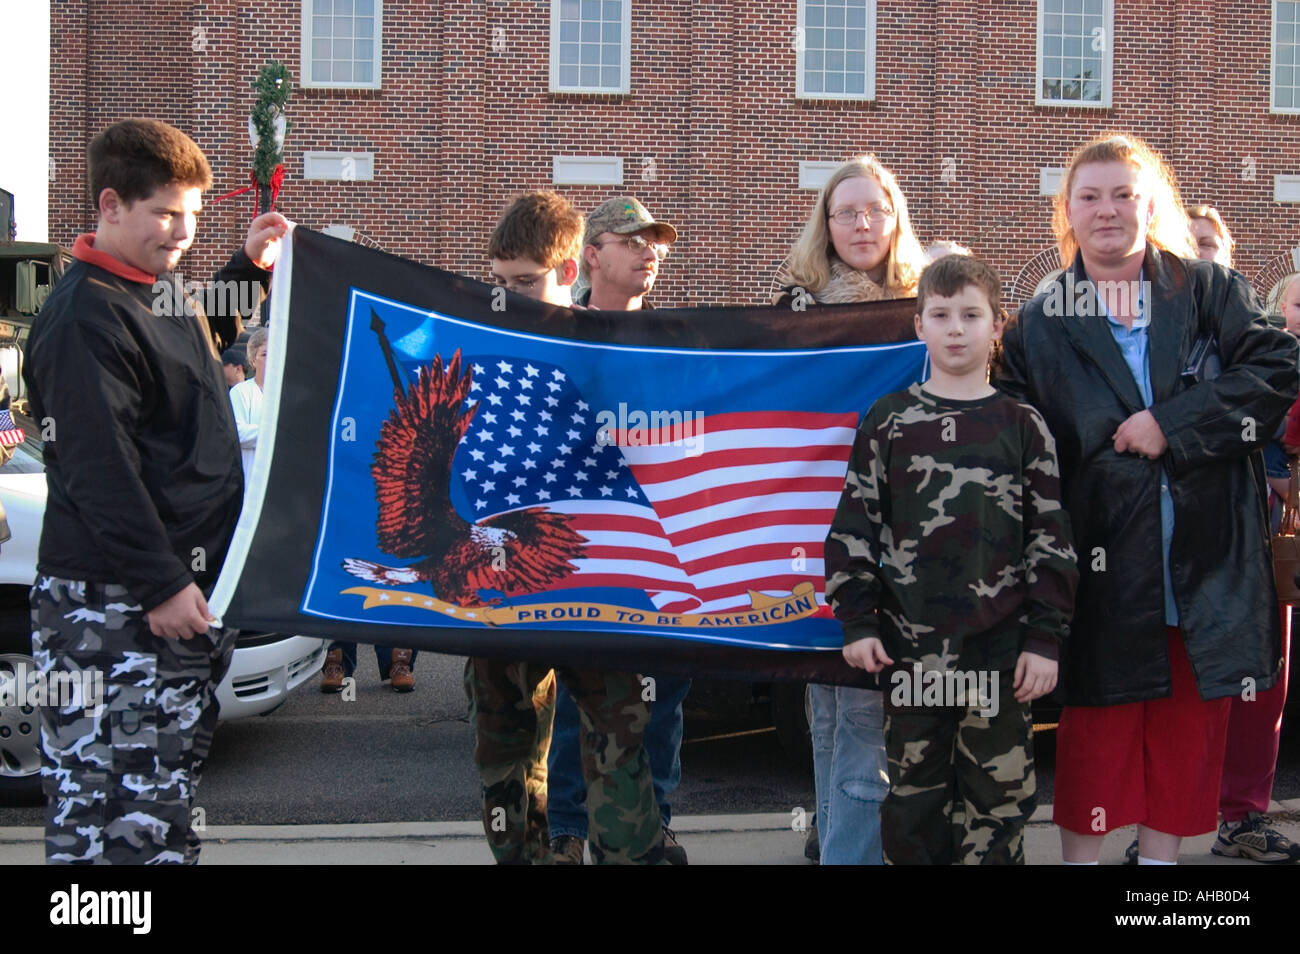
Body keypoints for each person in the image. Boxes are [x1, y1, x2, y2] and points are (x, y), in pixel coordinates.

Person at [998, 132, 1297, 865]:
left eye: (1124, 194)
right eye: (1090, 196)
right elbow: (1014, 437)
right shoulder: (1040, 323)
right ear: (1067, 210)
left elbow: (1278, 365)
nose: (1108, 210)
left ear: (1151, 201)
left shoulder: (1207, 290)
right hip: (1101, 568)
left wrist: (1172, 423)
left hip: (1204, 561)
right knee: (1099, 738)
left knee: (1185, 736)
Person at [23, 118, 287, 864]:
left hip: (176, 604)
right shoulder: (84, 317)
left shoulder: (150, 290)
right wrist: (165, 584)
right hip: (115, 611)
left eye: (194, 215)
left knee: (160, 799)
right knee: (108, 807)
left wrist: (250, 263)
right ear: (111, 206)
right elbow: (98, 468)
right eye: (167, 214)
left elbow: (192, 328)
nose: (184, 232)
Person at [827, 254, 1077, 863]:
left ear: (998, 326)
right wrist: (857, 622)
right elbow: (855, 526)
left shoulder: (1022, 425)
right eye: (940, 315)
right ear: (919, 326)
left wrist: (1046, 640)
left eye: (971, 314)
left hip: (999, 657)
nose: (956, 328)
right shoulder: (889, 420)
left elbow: (1051, 538)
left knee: (998, 806)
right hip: (910, 655)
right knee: (913, 806)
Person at [462, 190, 664, 865]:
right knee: (505, 751)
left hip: (604, 586)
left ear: (570, 271)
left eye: (526, 282)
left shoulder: (619, 350)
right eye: (499, 282)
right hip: (503, 588)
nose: (510, 296)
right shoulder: (476, 342)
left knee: (619, 753)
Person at [773, 155, 929, 865]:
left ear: (895, 217)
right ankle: (835, 846)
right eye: (846, 211)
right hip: (809, 537)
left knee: (865, 722)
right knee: (827, 715)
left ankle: (847, 855)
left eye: (875, 209)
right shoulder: (794, 310)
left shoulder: (928, 308)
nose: (862, 223)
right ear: (825, 224)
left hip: (891, 546)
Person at [544, 194, 690, 865]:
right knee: (585, 698)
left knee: (661, 695)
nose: (649, 251)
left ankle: (652, 822)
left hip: (659, 553)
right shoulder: (555, 333)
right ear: (592, 254)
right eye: (632, 240)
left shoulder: (675, 345)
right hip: (581, 554)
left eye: (654, 241)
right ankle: (570, 828)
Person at [229, 328, 266, 484]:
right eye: (265, 354)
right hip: (251, 481)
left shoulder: (288, 394)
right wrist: (276, 433)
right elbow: (238, 433)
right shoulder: (241, 391)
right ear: (252, 360)